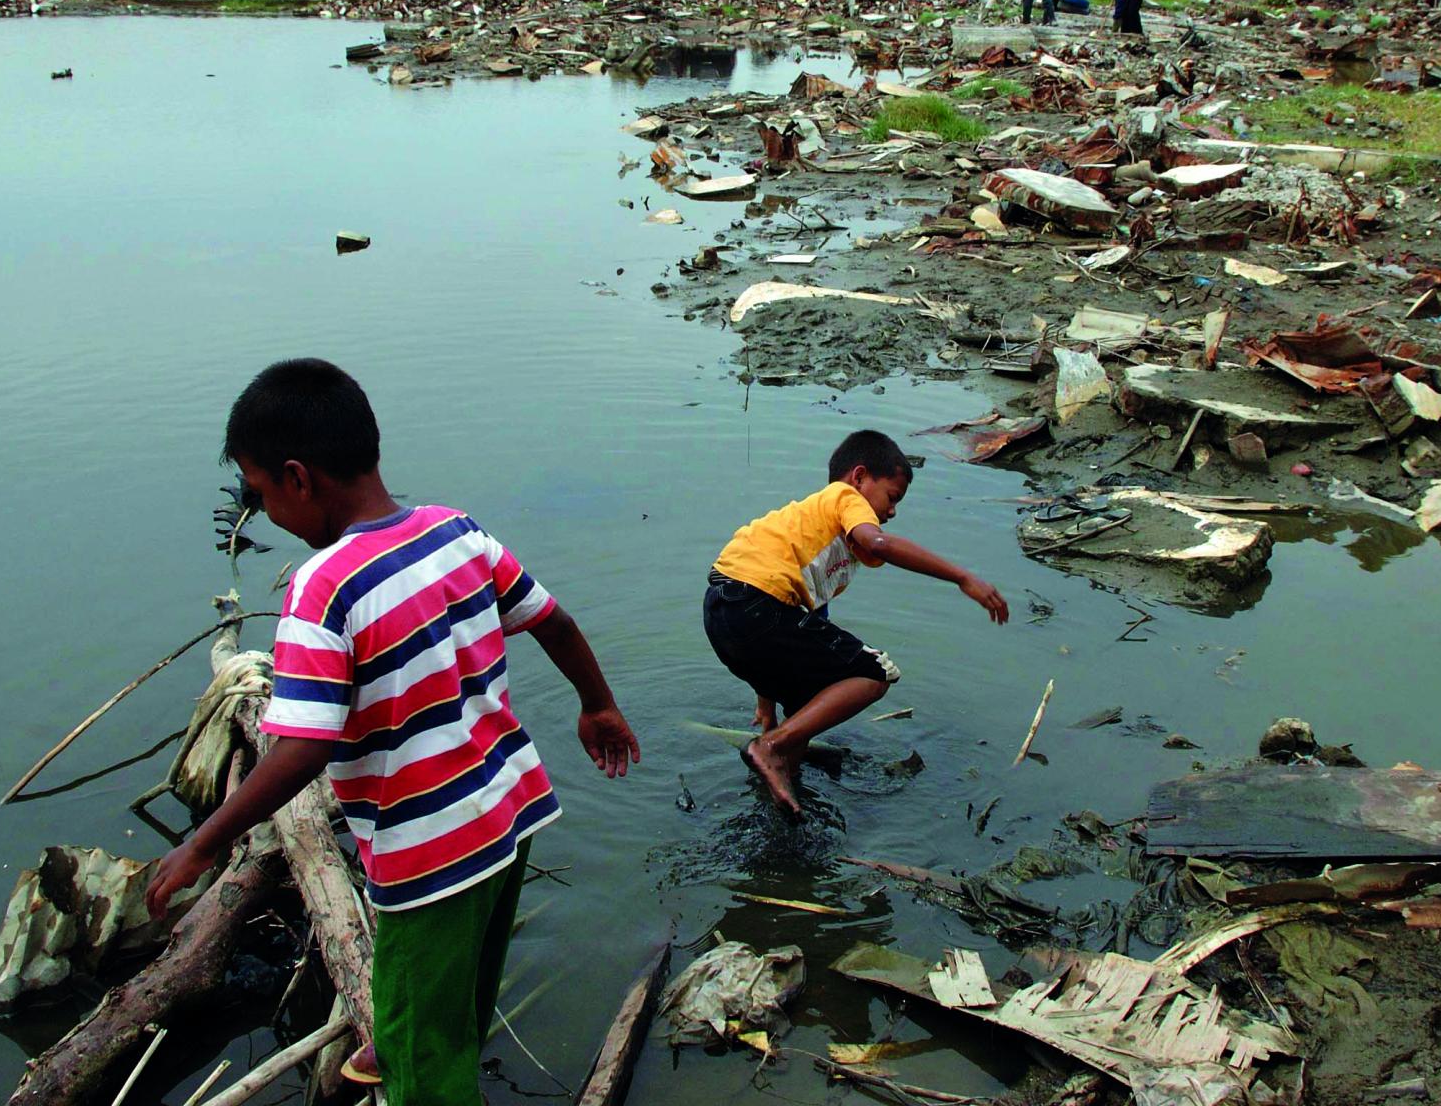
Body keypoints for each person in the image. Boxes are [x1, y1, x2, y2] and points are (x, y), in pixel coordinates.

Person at [145, 359, 639, 1103]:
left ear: (297, 479)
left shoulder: (323, 588)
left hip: (427, 853)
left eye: (261, 492)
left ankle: (419, 1059)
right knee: (464, 982)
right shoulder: (456, 531)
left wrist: (203, 843)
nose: (264, 511)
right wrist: (597, 705)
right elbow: (553, 620)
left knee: (421, 1071)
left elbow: (304, 747)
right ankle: (425, 1033)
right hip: (509, 810)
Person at [703, 429, 1007, 815]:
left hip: (725, 613)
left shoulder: (816, 540)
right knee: (874, 674)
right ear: (859, 477)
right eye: (892, 498)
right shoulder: (844, 496)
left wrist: (767, 704)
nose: (892, 513)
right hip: (754, 604)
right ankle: (771, 748)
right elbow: (878, 543)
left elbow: (790, 627)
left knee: (811, 703)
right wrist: (962, 577)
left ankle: (783, 797)